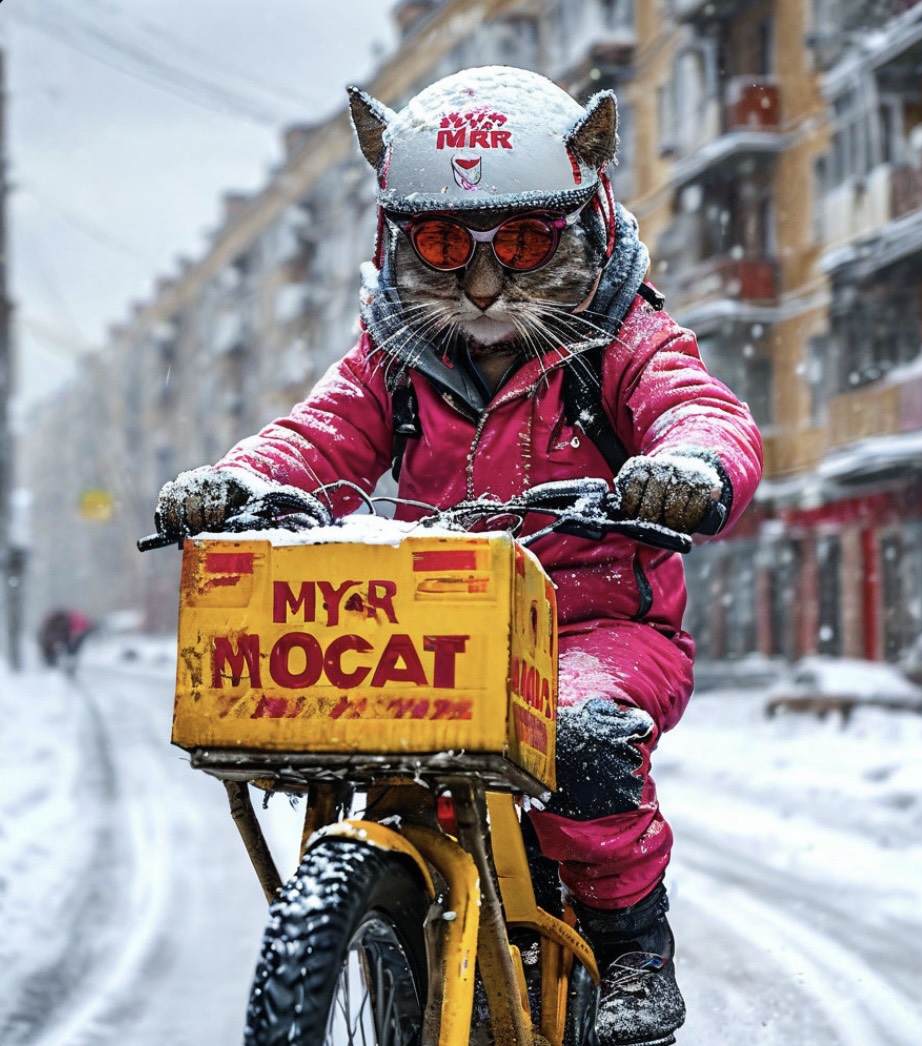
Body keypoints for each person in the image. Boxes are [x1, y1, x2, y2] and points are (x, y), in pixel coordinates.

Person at [154, 66, 762, 1046]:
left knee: (582, 738)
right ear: (397, 238)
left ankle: (630, 944)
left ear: (586, 217)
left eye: (521, 244)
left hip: (599, 627)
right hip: (443, 624)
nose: (481, 284)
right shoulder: (393, 356)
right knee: (361, 738)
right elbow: (315, 437)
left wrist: (687, 465)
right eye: (443, 245)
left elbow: (698, 407)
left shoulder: (622, 338)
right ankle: (395, 919)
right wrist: (237, 482)